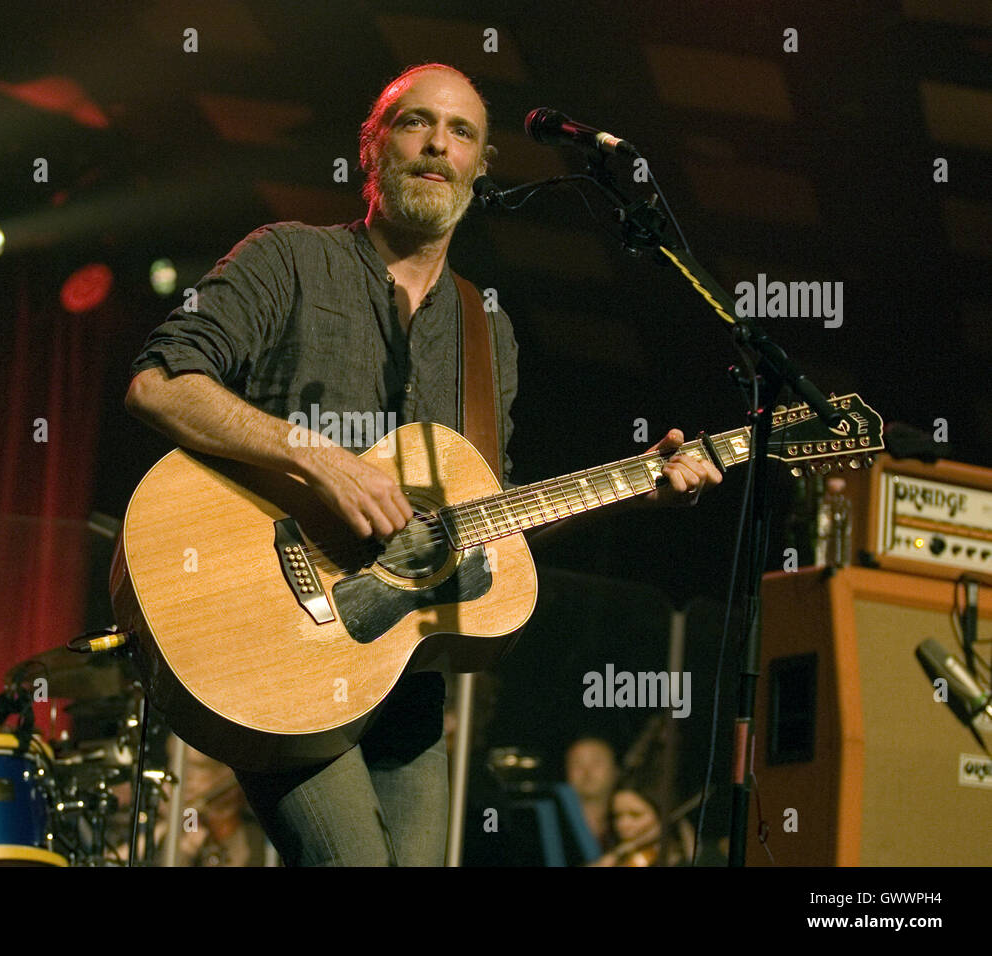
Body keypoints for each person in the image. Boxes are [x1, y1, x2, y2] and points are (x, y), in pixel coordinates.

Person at [124, 63, 721, 866]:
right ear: (373, 148)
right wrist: (317, 458)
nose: (438, 143)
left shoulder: (487, 329)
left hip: (405, 684)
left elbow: (485, 523)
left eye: (462, 132)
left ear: (480, 168)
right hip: (275, 647)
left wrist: (636, 491)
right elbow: (159, 384)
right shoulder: (286, 258)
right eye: (416, 123)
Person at [563, 736, 619, 850]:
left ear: (615, 771)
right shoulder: (553, 825)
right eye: (577, 763)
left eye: (596, 762)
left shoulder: (632, 826)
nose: (587, 771)